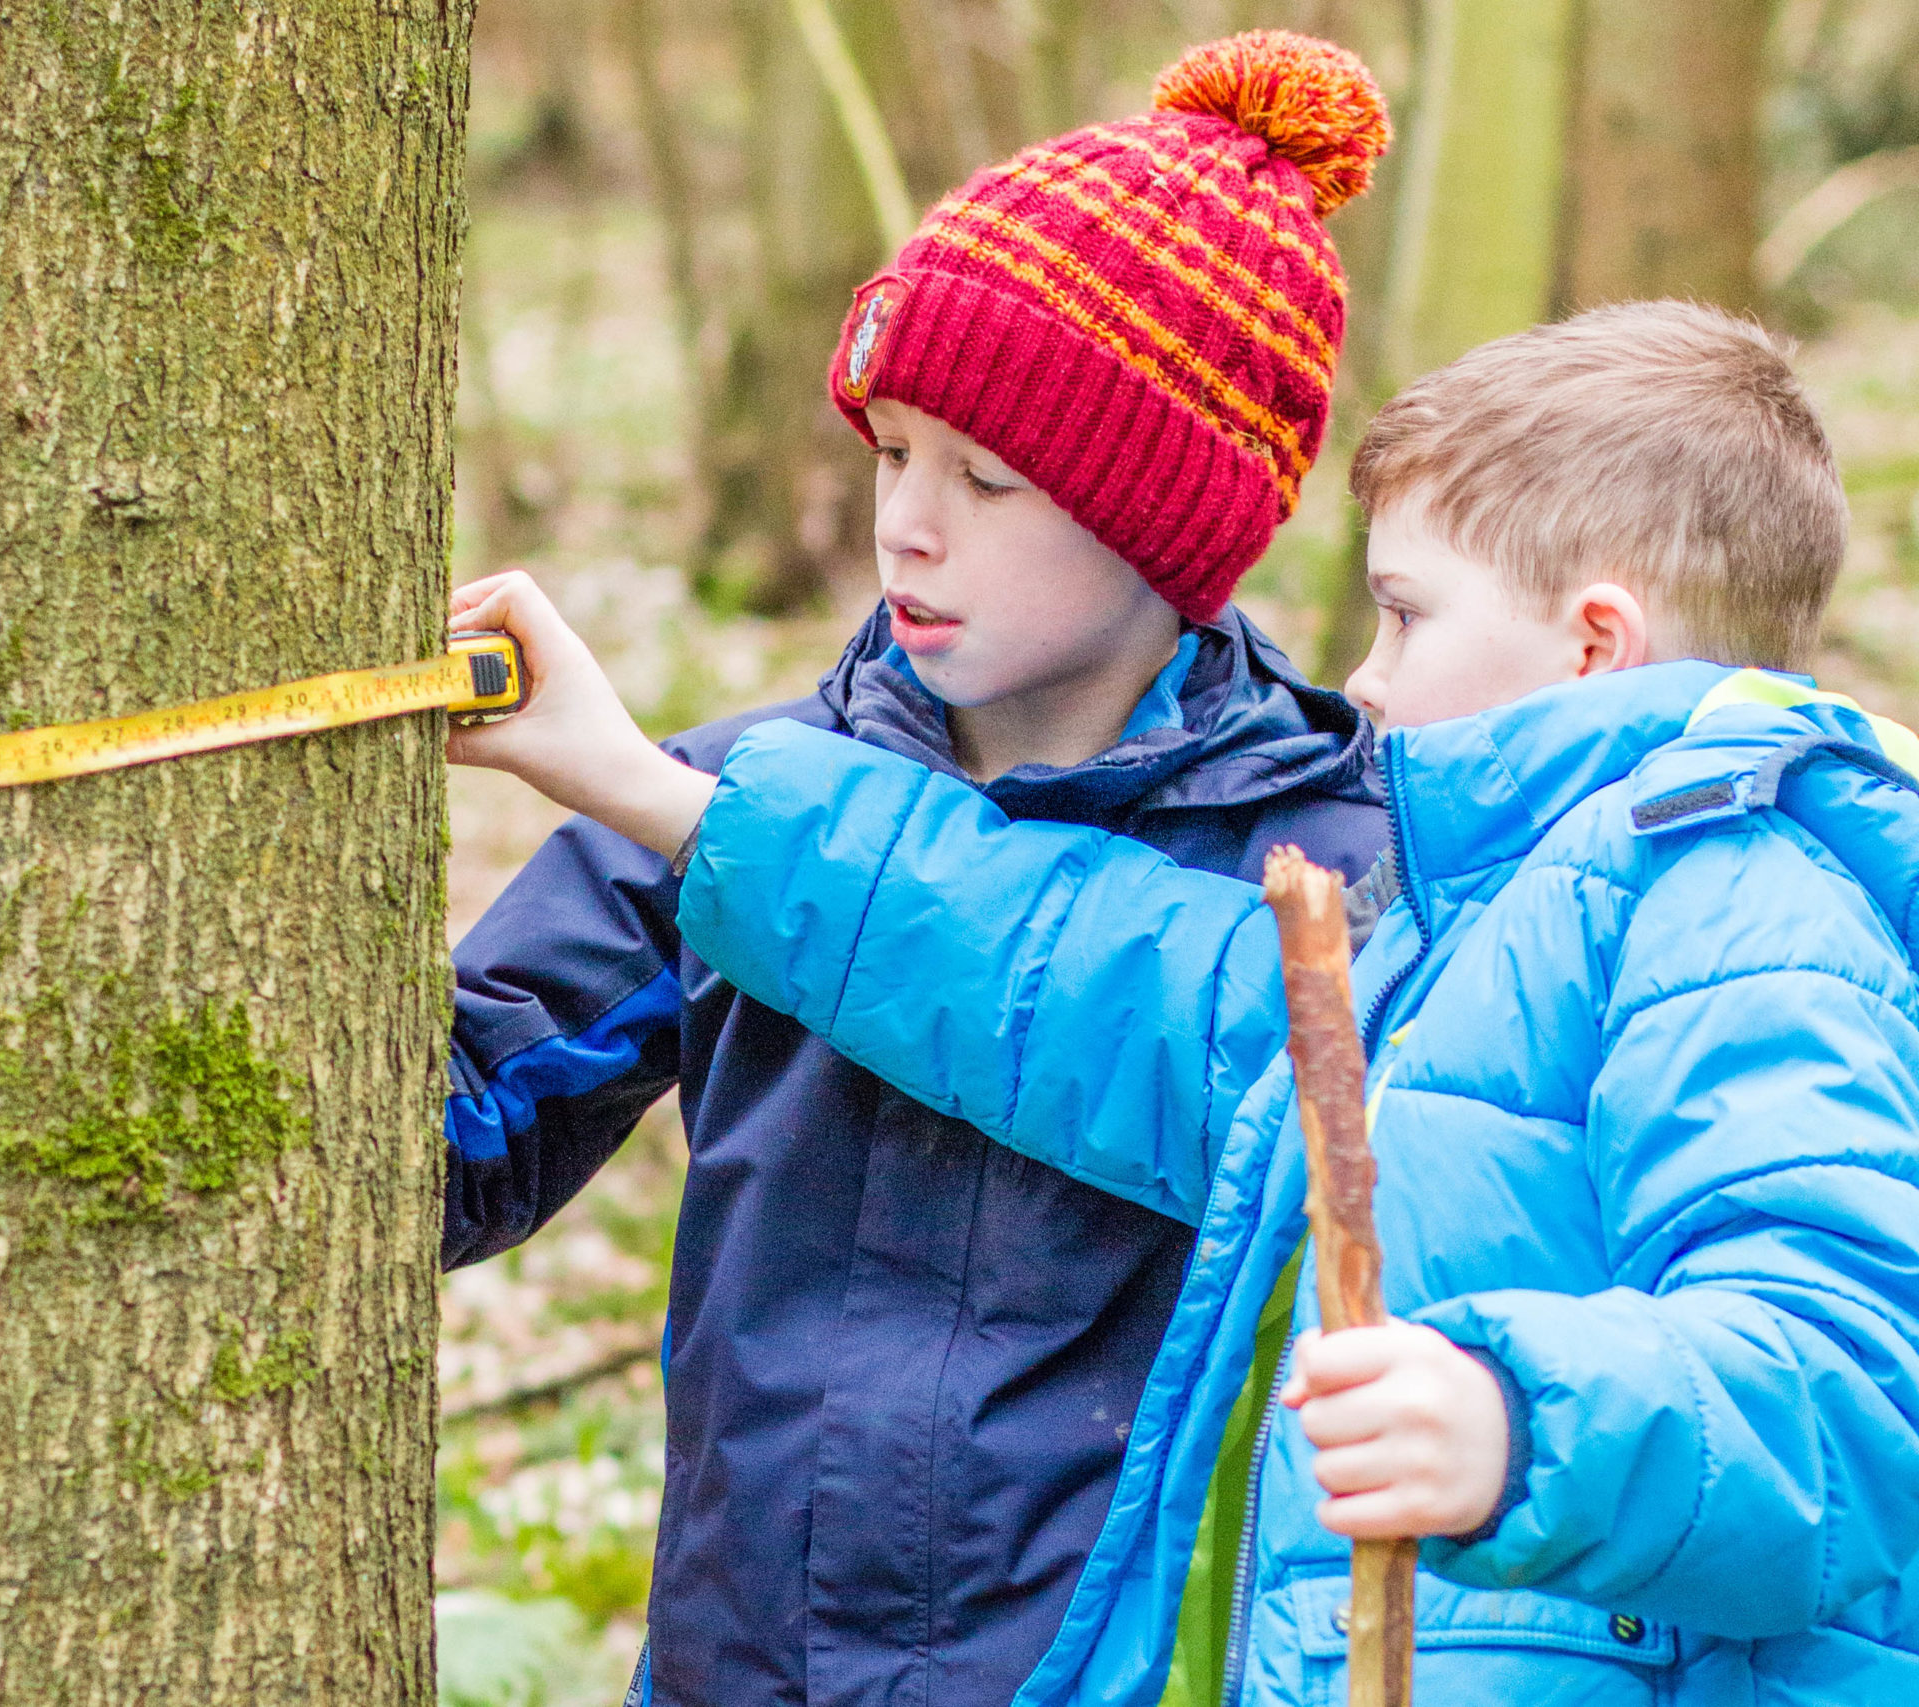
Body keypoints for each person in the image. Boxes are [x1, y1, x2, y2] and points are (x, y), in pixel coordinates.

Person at [456, 299, 1919, 1704]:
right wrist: (643, 787)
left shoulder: (1741, 911)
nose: (1363, 680)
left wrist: (1518, 1423)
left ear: (1595, 645)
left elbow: (1855, 1399)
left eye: (1405, 615)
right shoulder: (1452, 932)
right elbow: (1064, 972)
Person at [440, 31, 1395, 1706]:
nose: (906, 524)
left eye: (987, 477)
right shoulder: (734, 792)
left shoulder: (1329, 877)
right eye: (891, 450)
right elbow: (458, 1135)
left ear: (1169, 525)